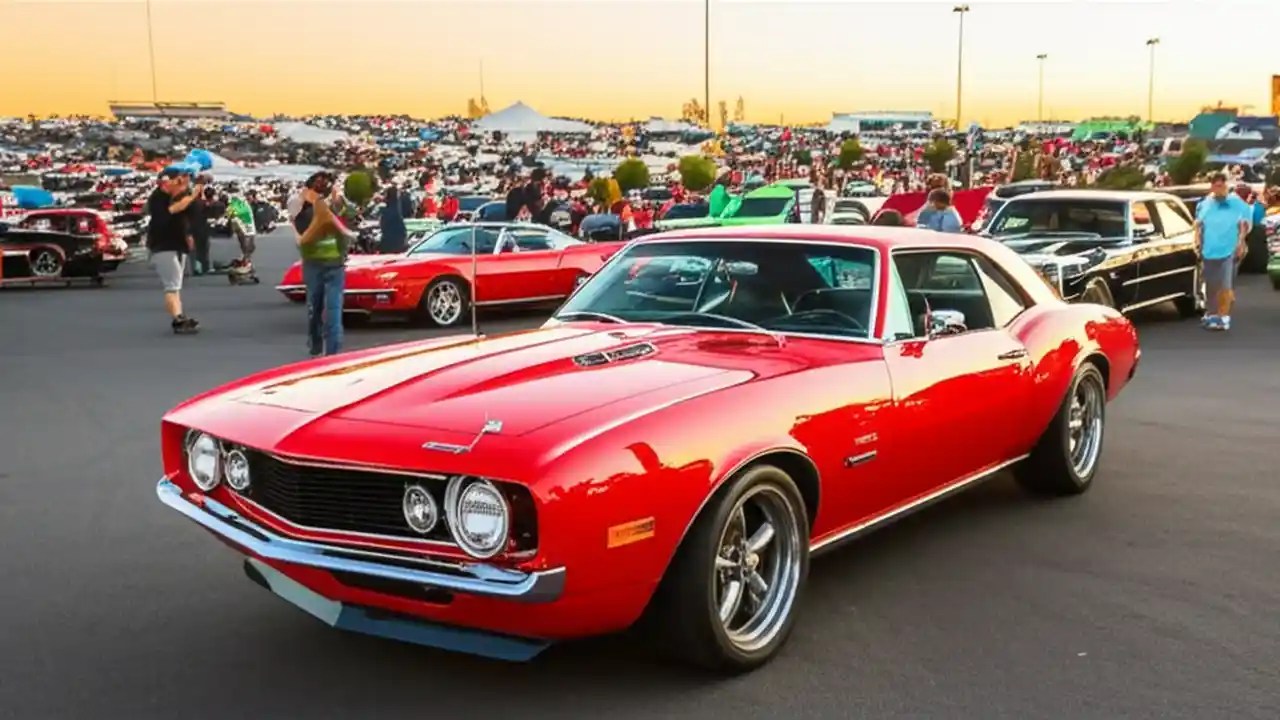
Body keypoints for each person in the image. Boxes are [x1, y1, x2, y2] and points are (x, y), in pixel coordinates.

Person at [292, 172, 351, 356]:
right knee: (330, 310)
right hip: (329, 264)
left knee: (317, 308)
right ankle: (330, 352)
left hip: (318, 265)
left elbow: (301, 241)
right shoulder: (335, 209)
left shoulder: (304, 212)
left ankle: (320, 347)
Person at [146, 167, 202, 333]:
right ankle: (177, 318)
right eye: (178, 180)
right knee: (172, 285)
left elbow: (191, 215)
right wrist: (191, 196)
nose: (182, 183)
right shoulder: (158, 199)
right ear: (166, 182)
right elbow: (172, 211)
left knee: (176, 285)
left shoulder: (176, 196)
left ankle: (179, 316)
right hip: (163, 246)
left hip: (177, 245)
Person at [1195, 172, 1252, 331]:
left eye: (1222, 185)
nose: (1219, 188)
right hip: (1209, 250)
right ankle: (1212, 314)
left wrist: (1241, 243)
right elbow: (1199, 225)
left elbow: (1244, 225)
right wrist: (1198, 242)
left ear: (1226, 185)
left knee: (1225, 284)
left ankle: (1224, 316)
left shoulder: (1236, 203)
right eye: (1216, 185)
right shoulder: (1205, 204)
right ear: (1212, 186)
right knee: (1211, 284)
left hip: (1229, 249)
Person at [186, 184, 213, 275]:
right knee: (203, 249)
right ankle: (205, 267)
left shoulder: (188, 204)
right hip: (203, 228)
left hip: (191, 229)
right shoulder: (203, 203)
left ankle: (195, 268)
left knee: (193, 250)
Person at [379, 186, 408, 254]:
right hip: (398, 243)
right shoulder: (397, 208)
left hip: (388, 243)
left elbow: (383, 225)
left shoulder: (387, 210)